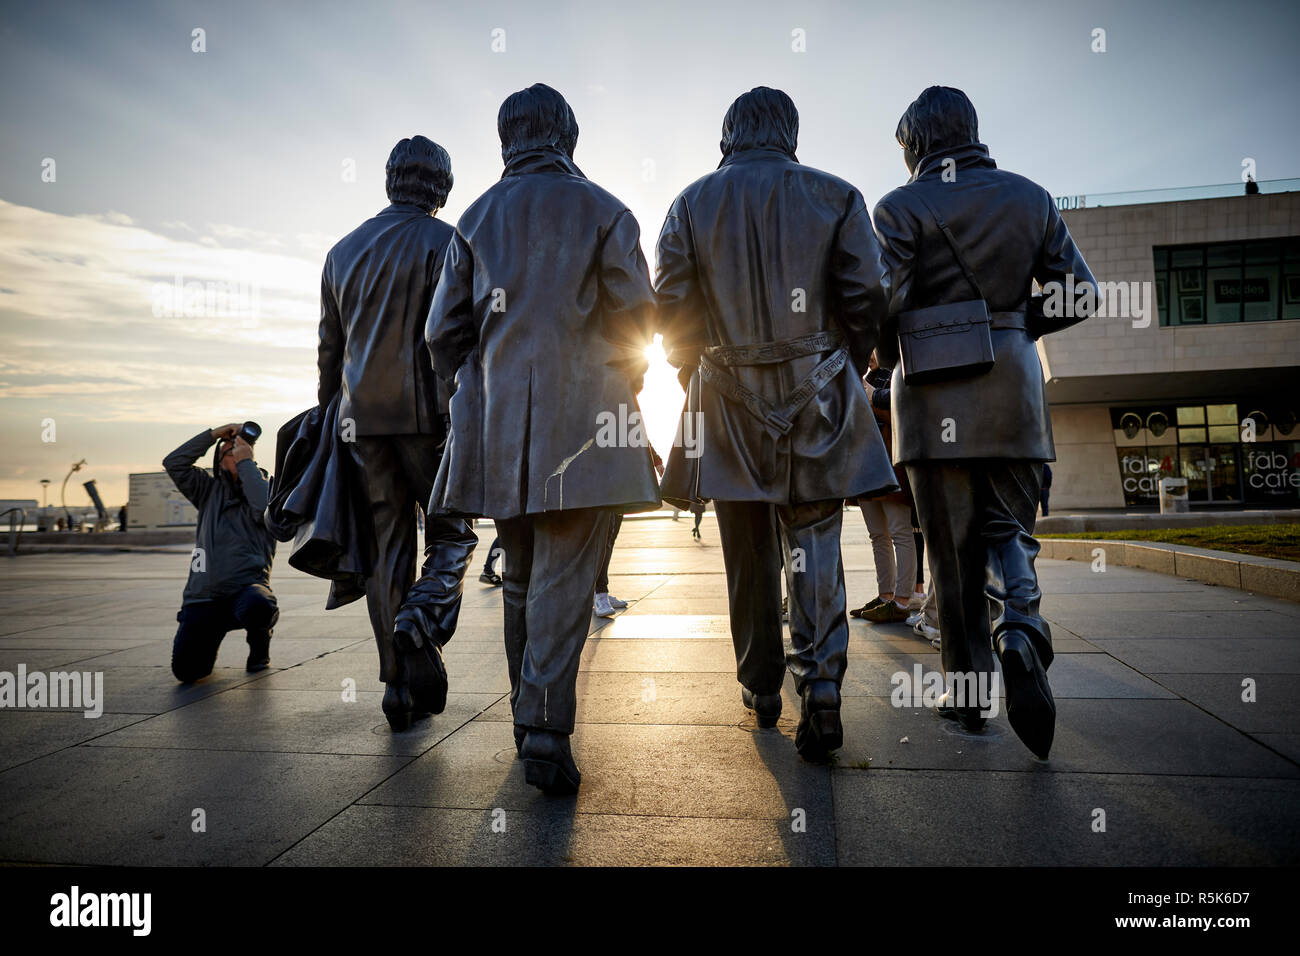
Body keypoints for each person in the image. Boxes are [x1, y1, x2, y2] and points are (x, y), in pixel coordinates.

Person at [427, 84, 660, 794]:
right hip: (586, 419)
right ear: (568, 136)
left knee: (524, 577)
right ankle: (546, 732)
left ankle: (529, 725)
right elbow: (640, 317)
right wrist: (623, 389)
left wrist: (476, 392)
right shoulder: (604, 210)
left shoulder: (474, 217)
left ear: (507, 140)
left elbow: (443, 334)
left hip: (498, 425)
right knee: (562, 575)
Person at [656, 87, 896, 761]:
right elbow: (866, 296)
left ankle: (761, 687)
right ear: (789, 132)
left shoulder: (690, 201)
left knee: (746, 550)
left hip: (726, 395)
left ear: (728, 133)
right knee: (816, 537)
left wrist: (693, 373)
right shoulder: (836, 194)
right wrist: (840, 362)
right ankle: (820, 684)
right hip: (817, 390)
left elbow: (669, 305)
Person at [873, 86, 1096, 758]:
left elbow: (883, 300)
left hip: (932, 393)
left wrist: (887, 352)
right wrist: (1013, 325)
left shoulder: (899, 207)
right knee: (1009, 532)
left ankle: (968, 699)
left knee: (951, 551)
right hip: (1013, 386)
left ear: (915, 140)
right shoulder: (1029, 196)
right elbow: (1077, 291)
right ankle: (1022, 626)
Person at [317, 135, 479, 732]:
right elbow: (457, 333)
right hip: (429, 419)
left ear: (390, 180)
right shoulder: (448, 241)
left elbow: (329, 351)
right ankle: (421, 618)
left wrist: (331, 419)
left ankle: (395, 687)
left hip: (360, 421)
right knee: (454, 534)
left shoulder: (342, 250)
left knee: (388, 549)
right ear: (441, 186)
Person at [164, 423, 277, 681]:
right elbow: (174, 463)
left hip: (246, 590)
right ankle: (209, 640)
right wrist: (214, 434)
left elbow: (262, 507)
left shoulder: (267, 487)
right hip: (204, 597)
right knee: (188, 672)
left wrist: (246, 463)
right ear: (218, 460)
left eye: (238, 451)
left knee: (258, 605)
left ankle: (260, 643)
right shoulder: (207, 491)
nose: (234, 454)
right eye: (228, 452)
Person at [852, 353, 919, 624]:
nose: (868, 354)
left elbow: (904, 412)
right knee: (878, 535)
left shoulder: (897, 374)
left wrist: (869, 395)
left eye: (875, 347)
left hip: (892, 466)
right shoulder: (864, 378)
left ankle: (903, 600)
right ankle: (885, 595)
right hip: (865, 465)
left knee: (901, 532)